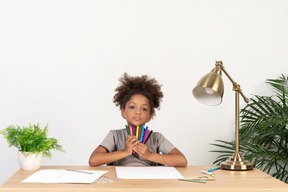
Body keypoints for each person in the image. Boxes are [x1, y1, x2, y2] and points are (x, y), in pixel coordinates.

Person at [89, 73, 187, 167]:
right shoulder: (115, 136)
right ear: (123, 112)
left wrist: (149, 155)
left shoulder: (156, 138)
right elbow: (93, 160)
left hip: (149, 181)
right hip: (121, 182)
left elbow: (182, 161)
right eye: (132, 107)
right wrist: (125, 152)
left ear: (149, 116)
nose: (138, 112)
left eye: (144, 109)